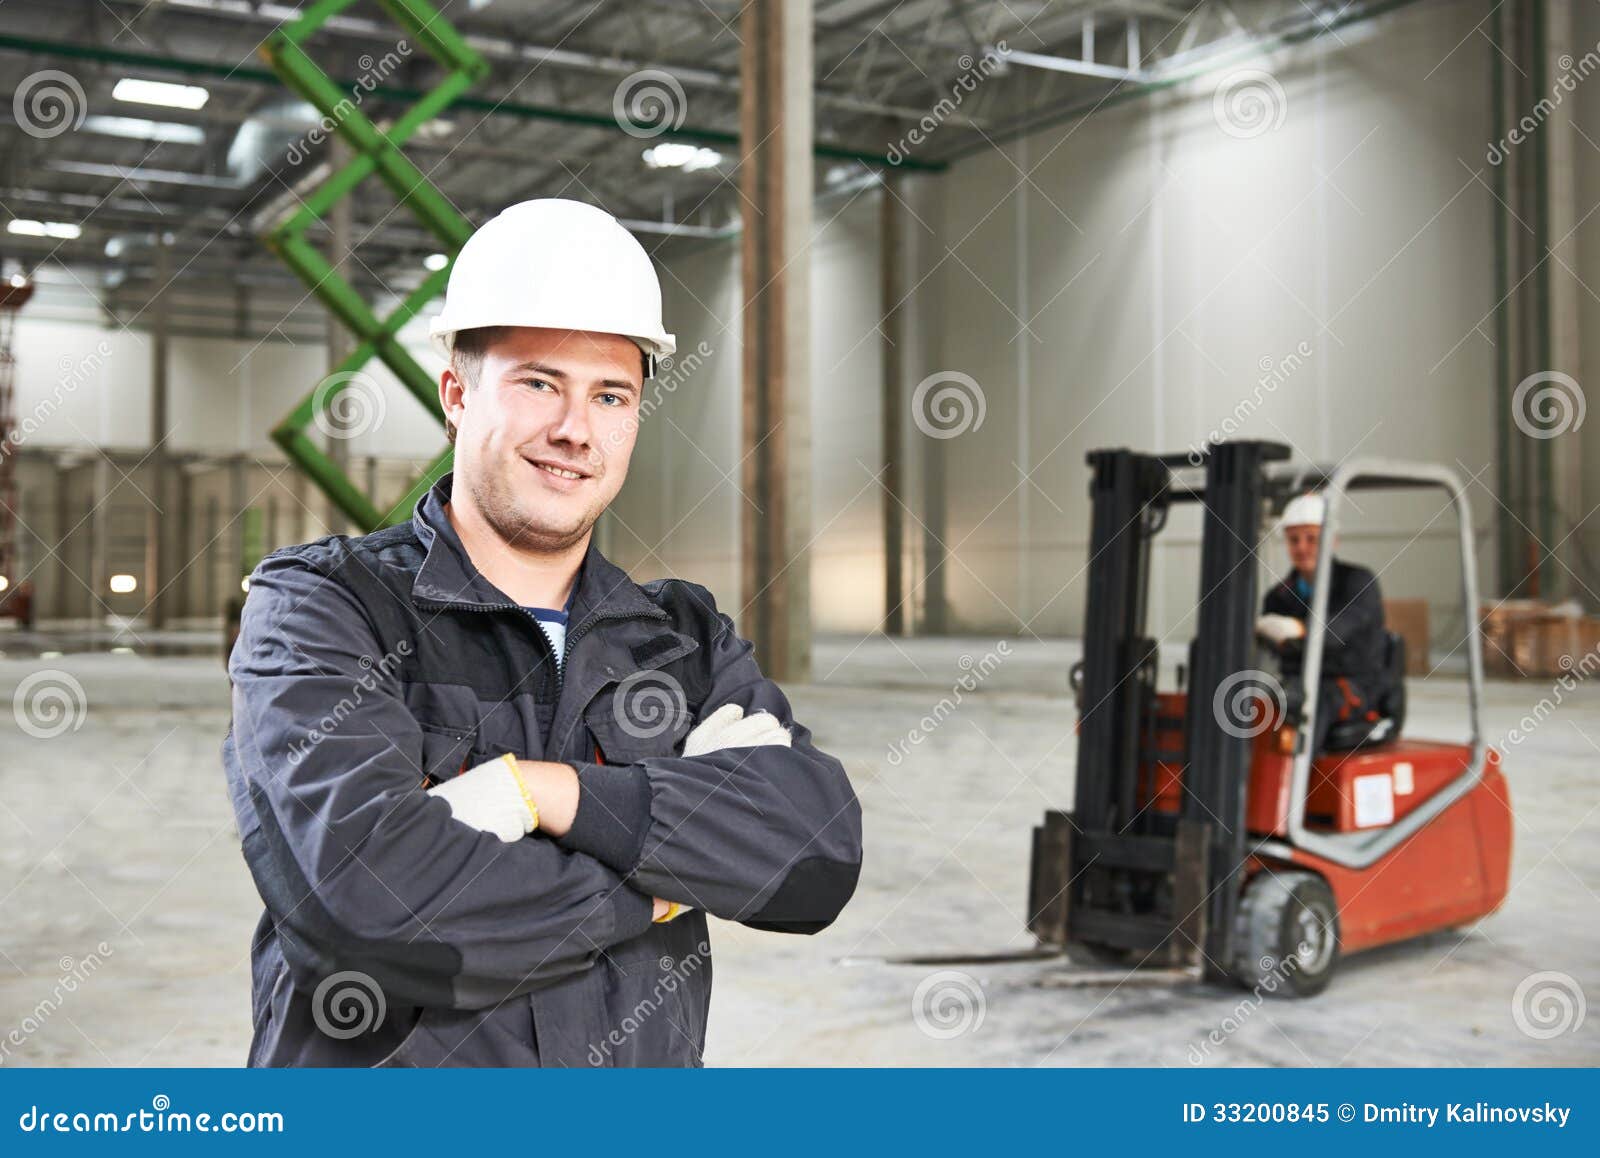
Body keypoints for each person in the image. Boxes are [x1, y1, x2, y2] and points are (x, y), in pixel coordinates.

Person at [222, 199, 863, 1068]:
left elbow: (814, 855)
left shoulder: (678, 637)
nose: (574, 429)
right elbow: (366, 909)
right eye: (537, 383)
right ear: (456, 393)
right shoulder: (327, 609)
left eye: (610, 394)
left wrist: (539, 794)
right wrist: (667, 883)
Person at [1255, 492, 1388, 753]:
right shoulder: (1279, 595)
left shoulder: (1358, 582)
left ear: (1332, 541)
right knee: (1252, 701)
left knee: (1308, 706)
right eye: (1294, 540)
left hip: (1353, 684)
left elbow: (1337, 631)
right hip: (1299, 682)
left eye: (1311, 539)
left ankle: (1296, 787)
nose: (1302, 547)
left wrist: (1298, 630)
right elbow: (1273, 653)